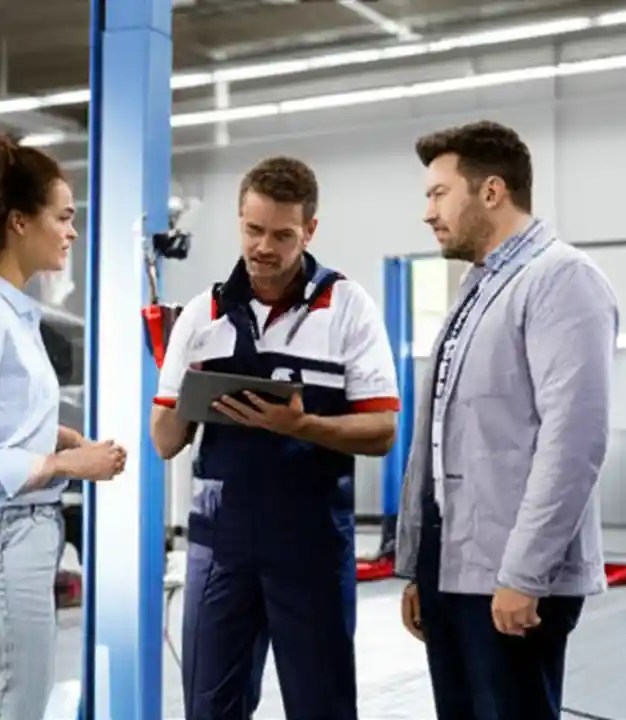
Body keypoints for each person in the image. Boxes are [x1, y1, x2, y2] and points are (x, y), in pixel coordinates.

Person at [150, 156, 400, 720]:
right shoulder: (202, 315)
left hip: (311, 541)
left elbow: (382, 430)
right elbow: (163, 442)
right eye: (253, 229)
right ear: (239, 220)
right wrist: (191, 393)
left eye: (282, 235)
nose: (264, 247)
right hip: (220, 543)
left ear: (310, 230)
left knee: (321, 706)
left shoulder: (348, 308)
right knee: (210, 707)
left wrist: (302, 426)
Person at [394, 120, 619, 720]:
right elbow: (440, 440)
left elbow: (574, 442)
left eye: (439, 193)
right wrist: (420, 567)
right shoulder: (476, 289)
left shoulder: (560, 279)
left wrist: (526, 573)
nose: (428, 212)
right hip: (453, 567)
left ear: (491, 191)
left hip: (511, 575)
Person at [0, 130, 128, 720]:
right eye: (62, 217)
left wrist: (51, 437)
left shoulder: (7, 310)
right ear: (18, 222)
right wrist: (64, 464)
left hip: (12, 553)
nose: (71, 231)